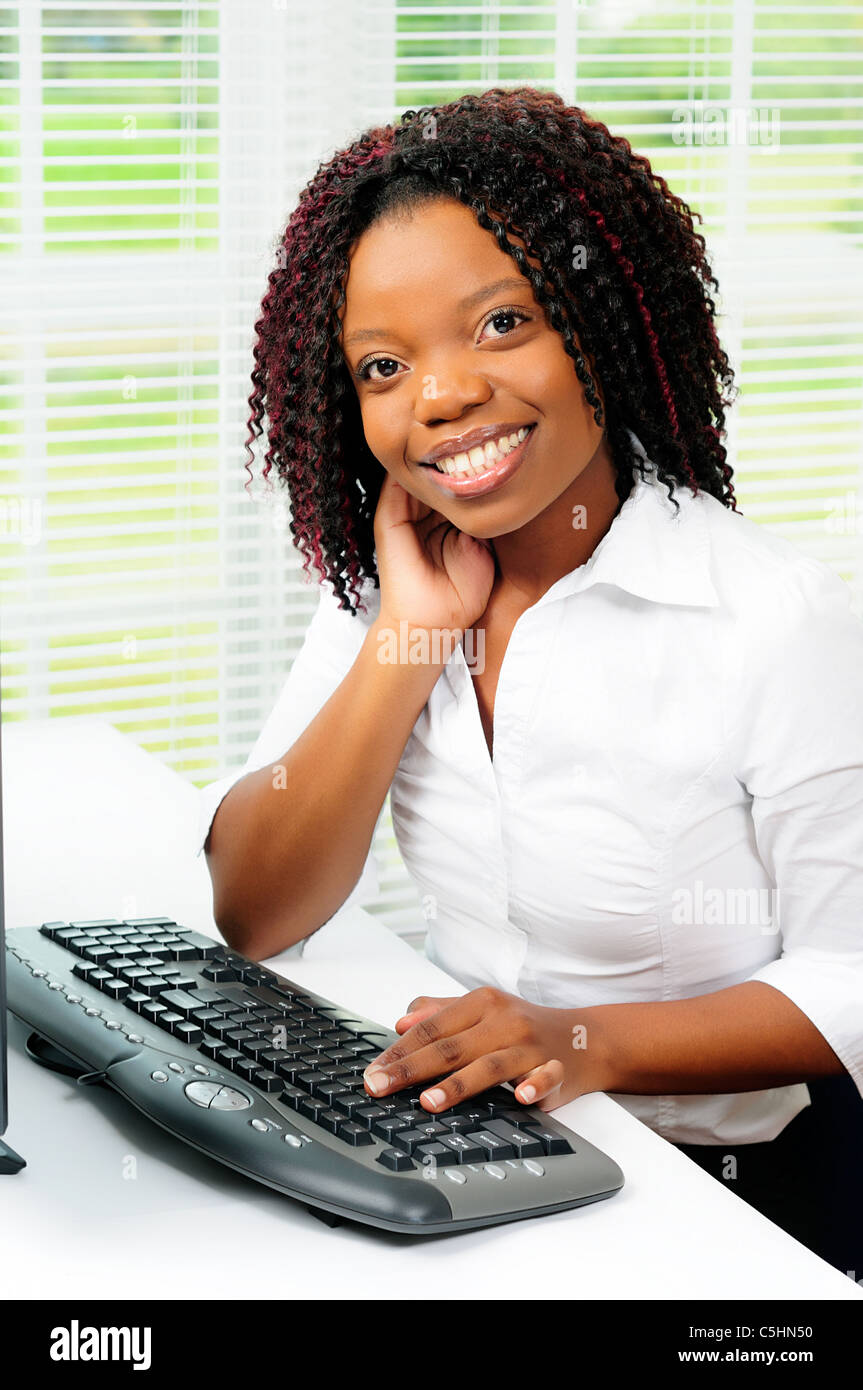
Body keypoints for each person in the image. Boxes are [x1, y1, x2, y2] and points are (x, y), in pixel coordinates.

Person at [199, 88, 863, 1272]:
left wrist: (579, 1039)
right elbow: (259, 907)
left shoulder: (774, 616)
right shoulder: (385, 589)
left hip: (727, 1198)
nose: (441, 396)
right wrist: (408, 634)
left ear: (600, 326)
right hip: (487, 1165)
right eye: (384, 365)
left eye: (500, 323)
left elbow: (849, 977)